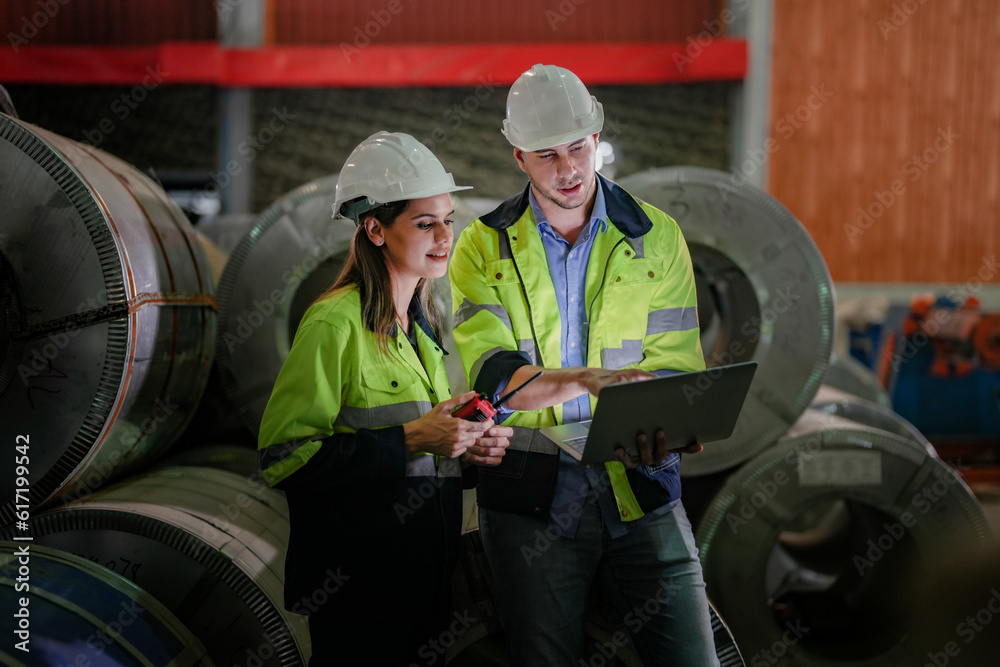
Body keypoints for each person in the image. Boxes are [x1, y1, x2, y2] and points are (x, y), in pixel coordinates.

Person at [449, 64, 720, 665]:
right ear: (519, 156)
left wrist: (669, 421)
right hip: (529, 494)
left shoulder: (657, 235)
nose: (567, 168)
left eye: (577, 147)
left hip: (640, 481)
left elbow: (676, 362)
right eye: (546, 155)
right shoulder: (479, 246)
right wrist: (586, 381)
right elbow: (494, 372)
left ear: (596, 140)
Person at [258, 131, 513, 666]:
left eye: (448, 219)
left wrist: (468, 451)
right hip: (359, 595)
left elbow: (422, 458)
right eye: (425, 223)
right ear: (375, 228)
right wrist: (414, 437)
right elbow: (284, 458)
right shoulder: (334, 323)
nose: (445, 236)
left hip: (423, 585)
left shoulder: (420, 330)